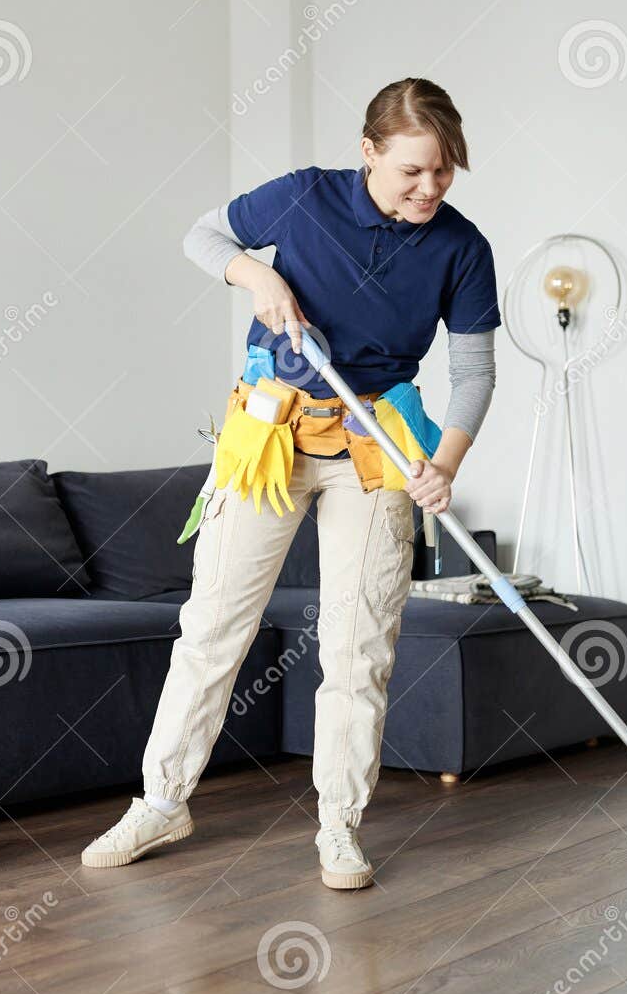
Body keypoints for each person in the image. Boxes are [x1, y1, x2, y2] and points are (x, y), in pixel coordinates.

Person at [81, 78, 499, 889]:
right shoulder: (304, 198)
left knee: (359, 645)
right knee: (214, 625)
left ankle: (339, 824)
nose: (429, 189)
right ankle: (163, 801)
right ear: (369, 151)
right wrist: (254, 276)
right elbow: (202, 236)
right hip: (270, 436)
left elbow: (475, 373)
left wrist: (443, 465)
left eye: (444, 172)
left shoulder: (462, 247)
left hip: (377, 446)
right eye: (412, 170)